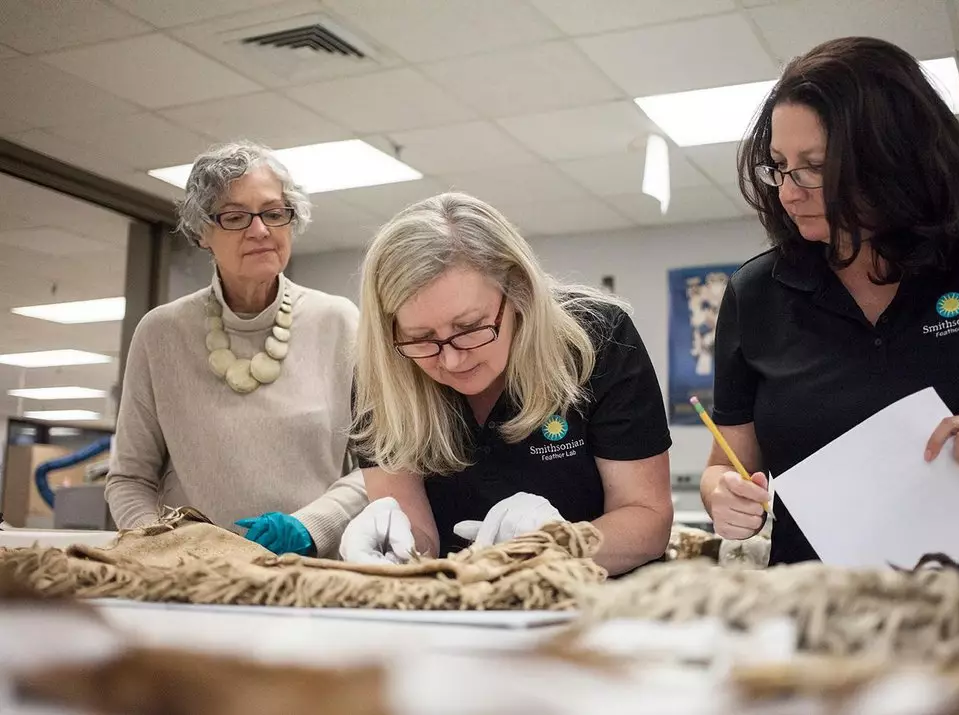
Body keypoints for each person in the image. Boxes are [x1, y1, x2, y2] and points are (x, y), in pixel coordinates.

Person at [701, 37, 959, 564]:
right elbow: (726, 465)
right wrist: (724, 494)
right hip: (827, 613)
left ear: (896, 161)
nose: (787, 192)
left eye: (815, 167)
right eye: (779, 165)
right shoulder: (757, 293)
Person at [339, 192, 673, 575]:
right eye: (420, 338)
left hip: (594, 602)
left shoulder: (597, 340)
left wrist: (562, 545)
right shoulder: (382, 371)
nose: (451, 359)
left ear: (518, 291)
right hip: (458, 608)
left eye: (469, 328)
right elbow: (419, 540)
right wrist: (392, 547)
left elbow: (648, 521)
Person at [105, 141, 368, 557]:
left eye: (274, 212)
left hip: (313, 577)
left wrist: (311, 525)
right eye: (235, 217)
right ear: (201, 231)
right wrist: (163, 549)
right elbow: (129, 480)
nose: (260, 230)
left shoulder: (339, 322)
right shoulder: (160, 334)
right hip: (194, 583)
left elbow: (380, 469)